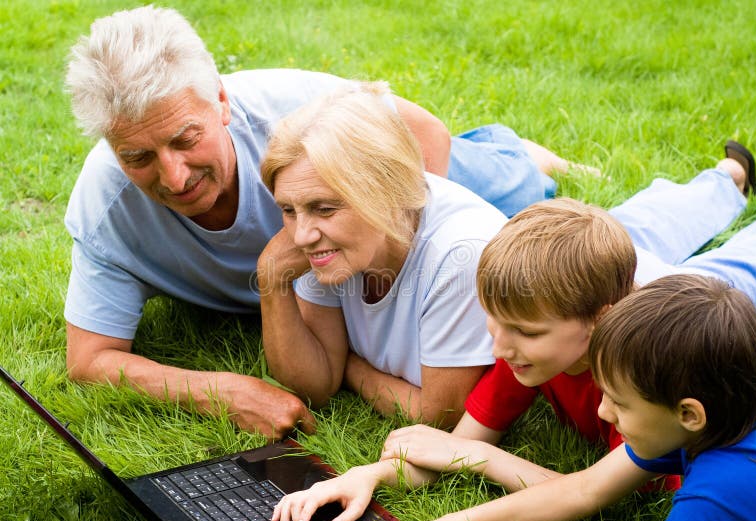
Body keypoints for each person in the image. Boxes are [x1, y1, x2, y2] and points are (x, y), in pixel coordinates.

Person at [62, 5, 590, 439]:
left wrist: (400, 245)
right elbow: (89, 360)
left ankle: (521, 153)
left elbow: (425, 135)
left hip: (405, 190)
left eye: (185, 139)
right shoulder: (105, 208)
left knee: (518, 185)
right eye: (138, 157)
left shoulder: (297, 115)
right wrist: (223, 386)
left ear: (221, 102)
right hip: (339, 259)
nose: (174, 178)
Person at [268, 144, 756, 521]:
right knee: (647, 226)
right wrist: (369, 475)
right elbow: (459, 444)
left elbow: (590, 490)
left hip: (753, 346)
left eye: (522, 331)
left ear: (598, 321)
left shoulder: (647, 388)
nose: (498, 348)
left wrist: (470, 457)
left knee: (744, 271)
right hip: (642, 289)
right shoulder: (534, 345)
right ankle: (725, 178)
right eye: (494, 323)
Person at [365, 276, 756, 521]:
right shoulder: (723, 412)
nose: (603, 412)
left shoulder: (713, 498)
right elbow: (582, 490)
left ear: (689, 413)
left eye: (619, 402)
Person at [257, 84, 508, 429]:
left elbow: (438, 417)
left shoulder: (461, 254)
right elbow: (315, 386)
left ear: (387, 194)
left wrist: (350, 366)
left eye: (324, 209)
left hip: (504, 179)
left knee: (518, 169)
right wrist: (272, 278)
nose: (301, 236)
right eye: (288, 210)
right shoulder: (329, 240)